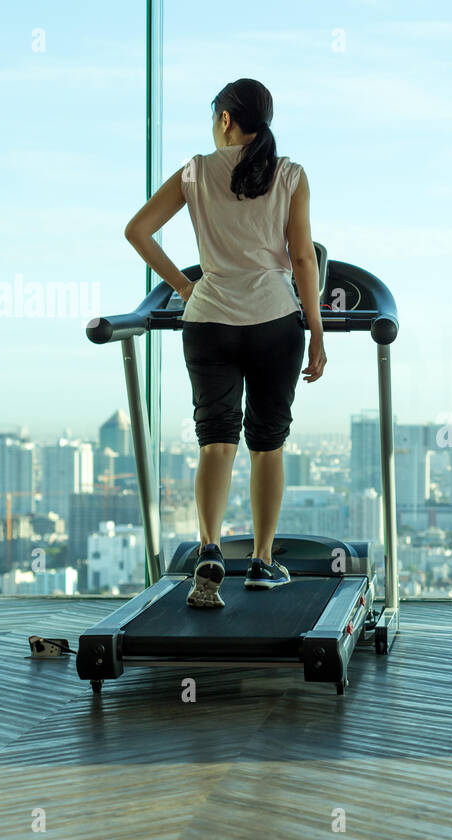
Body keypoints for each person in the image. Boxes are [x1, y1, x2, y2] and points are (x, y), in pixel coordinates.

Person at [123, 77, 326, 609]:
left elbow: (138, 231)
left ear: (226, 120)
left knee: (215, 441)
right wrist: (317, 331)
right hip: (274, 320)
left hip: (208, 321)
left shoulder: (195, 171)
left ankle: (210, 548)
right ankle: (262, 560)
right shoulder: (290, 175)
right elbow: (304, 259)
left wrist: (185, 286)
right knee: (267, 443)